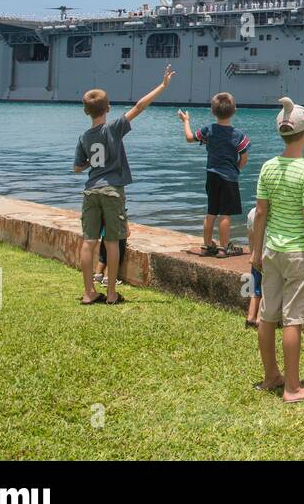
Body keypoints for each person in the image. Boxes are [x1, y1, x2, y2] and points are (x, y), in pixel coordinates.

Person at [72, 65, 175, 305]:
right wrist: (163, 85)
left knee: (89, 241)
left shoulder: (84, 137)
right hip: (112, 190)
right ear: (108, 108)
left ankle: (88, 292)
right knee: (112, 241)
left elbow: (78, 167)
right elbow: (139, 106)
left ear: (86, 111)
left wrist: (91, 161)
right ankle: (110, 294)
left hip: (91, 189)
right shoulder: (114, 127)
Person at [252, 97, 304, 403]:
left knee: (267, 315)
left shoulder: (268, 167)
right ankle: (293, 387)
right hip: (297, 253)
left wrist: (255, 251)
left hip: (271, 250)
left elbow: (260, 212)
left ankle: (271, 375)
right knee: (293, 319)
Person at [177, 93, 250, 257]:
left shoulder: (209, 130)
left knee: (211, 212)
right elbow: (244, 158)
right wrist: (236, 169)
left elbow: (189, 138)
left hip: (212, 175)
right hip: (229, 178)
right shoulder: (239, 136)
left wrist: (186, 121)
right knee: (225, 214)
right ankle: (224, 248)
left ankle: (207, 245)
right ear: (234, 110)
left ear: (212, 111)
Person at [244, 206, 261, 328]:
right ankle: (261, 319)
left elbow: (250, 237)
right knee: (267, 291)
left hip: (255, 256)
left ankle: (250, 318)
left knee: (255, 290)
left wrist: (253, 255)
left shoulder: (252, 213)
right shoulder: (271, 214)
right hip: (267, 258)